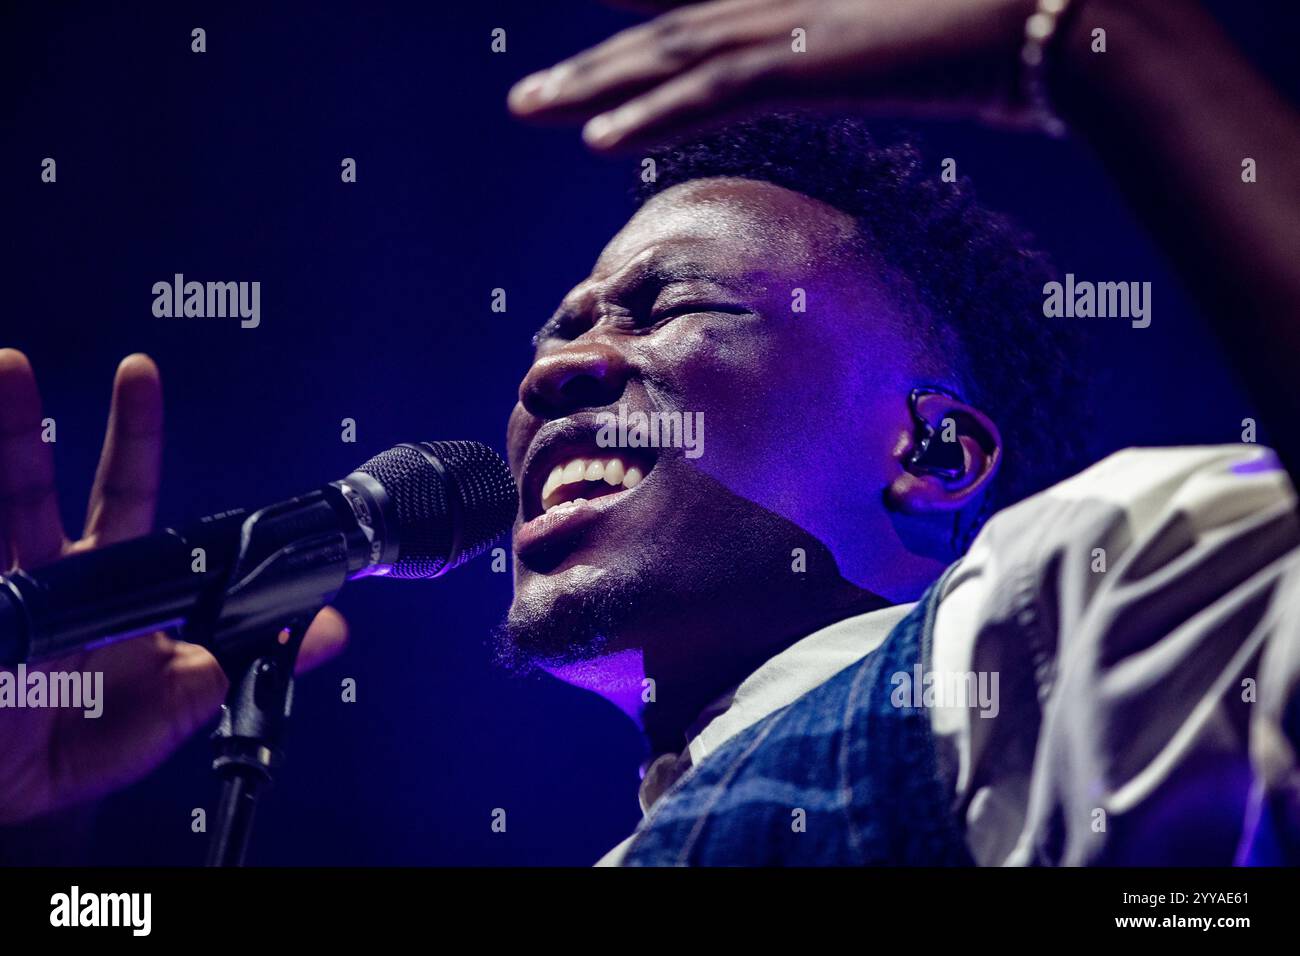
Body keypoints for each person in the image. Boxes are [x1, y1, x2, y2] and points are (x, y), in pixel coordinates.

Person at [3, 0, 1299, 865]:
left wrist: (1111, 38)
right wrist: (42, 827)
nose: (559, 366)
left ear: (933, 456)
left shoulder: (1055, 628)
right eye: (558, 327)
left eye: (669, 305)